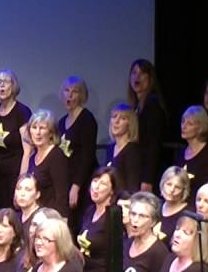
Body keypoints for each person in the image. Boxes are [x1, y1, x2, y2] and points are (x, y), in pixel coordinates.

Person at [0, 70, 32, 211]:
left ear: (14, 85)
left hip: (15, 174)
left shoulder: (22, 112)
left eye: (6, 82)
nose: (2, 85)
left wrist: (21, 181)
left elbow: (28, 150)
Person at [57, 76, 98, 229]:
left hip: (82, 182)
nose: (70, 95)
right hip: (67, 180)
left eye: (74, 92)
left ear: (81, 95)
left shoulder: (87, 119)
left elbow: (87, 156)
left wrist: (76, 186)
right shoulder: (61, 122)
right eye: (67, 91)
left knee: (80, 223)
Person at [127, 59, 168, 188]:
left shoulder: (152, 104)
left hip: (149, 173)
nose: (137, 77)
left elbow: (153, 144)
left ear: (150, 78)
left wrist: (147, 179)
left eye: (142, 73)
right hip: (138, 168)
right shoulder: (136, 106)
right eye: (134, 73)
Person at [24, 110, 69, 216]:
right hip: (38, 216)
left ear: (51, 133)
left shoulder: (56, 155)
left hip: (52, 218)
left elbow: (62, 194)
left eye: (42, 128)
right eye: (34, 128)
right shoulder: (33, 157)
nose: (38, 133)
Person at [176, 106, 208, 187]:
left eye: (190, 123)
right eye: (183, 121)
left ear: (200, 128)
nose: (184, 126)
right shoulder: (181, 152)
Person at [107, 102, 146, 193]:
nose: (116, 121)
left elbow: (133, 187)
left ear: (130, 124)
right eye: (114, 117)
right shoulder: (111, 148)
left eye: (123, 118)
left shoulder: (132, 151)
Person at [157, 166, 191, 242]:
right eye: (169, 184)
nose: (172, 190)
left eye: (177, 187)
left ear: (184, 190)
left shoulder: (187, 214)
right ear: (162, 184)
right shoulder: (156, 206)